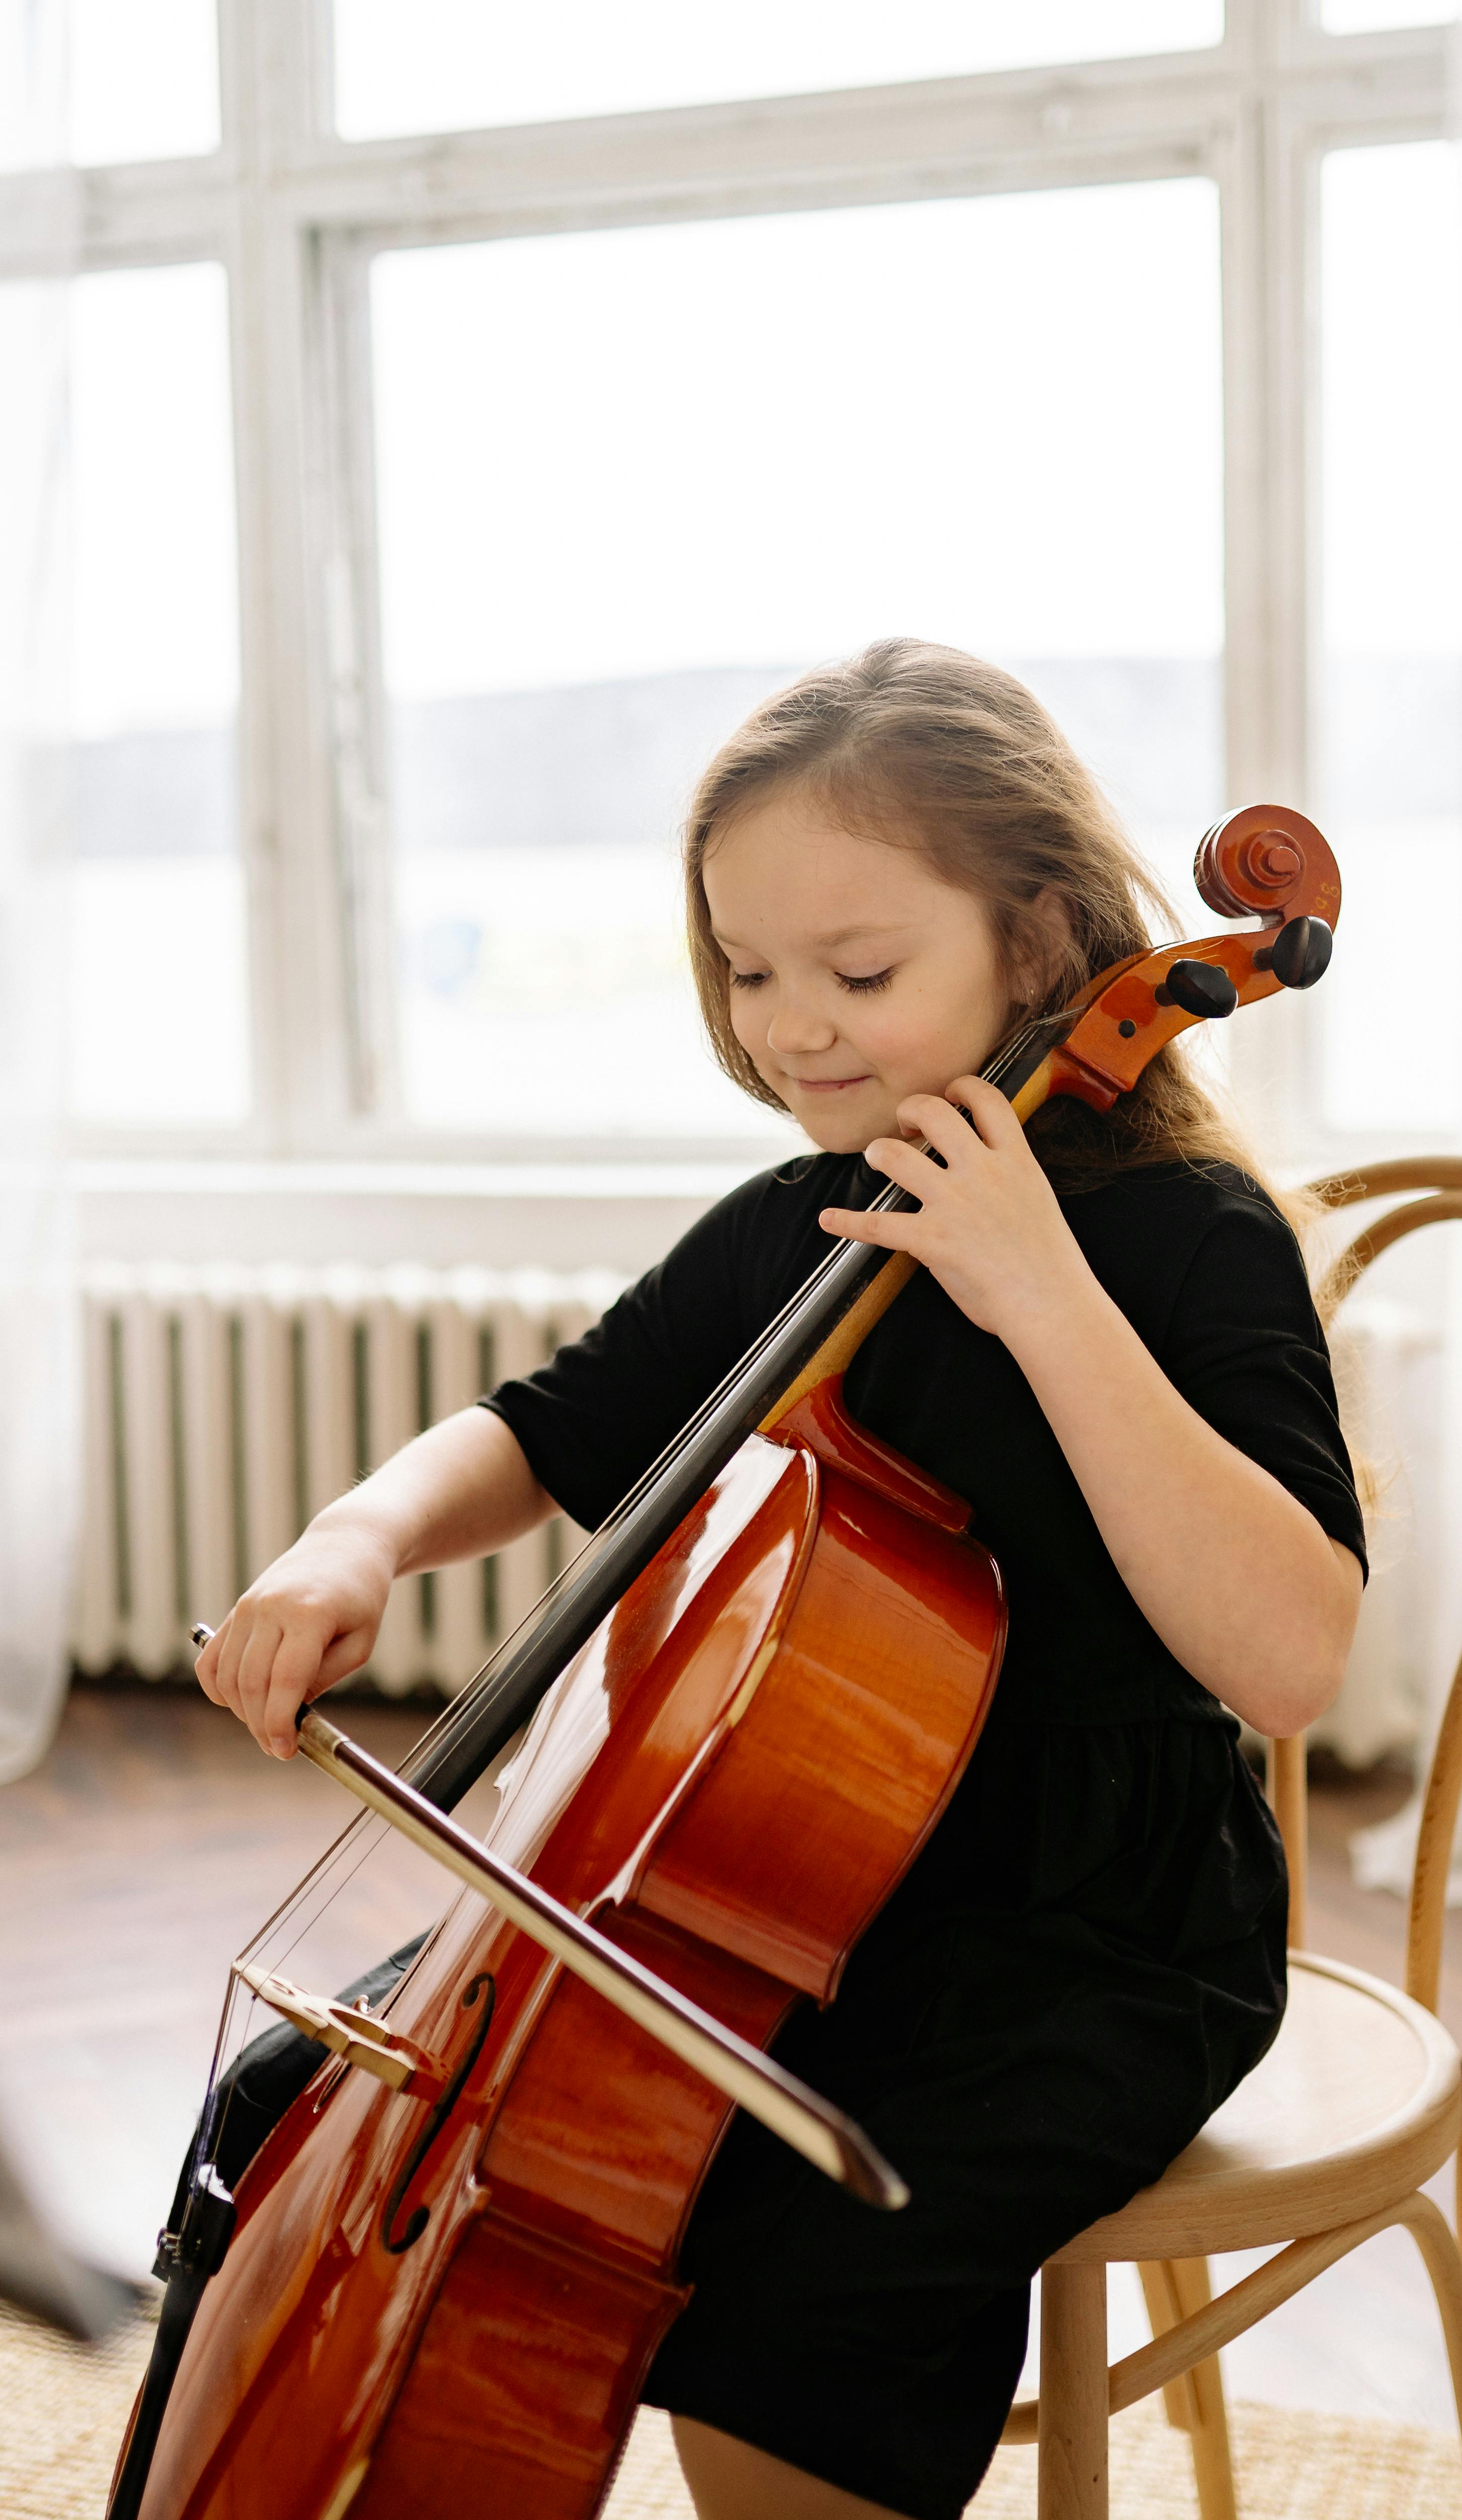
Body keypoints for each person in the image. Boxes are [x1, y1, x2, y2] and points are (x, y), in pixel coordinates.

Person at [197, 639, 1366, 2520]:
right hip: (739, 1888)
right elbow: (545, 1426)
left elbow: (1292, 1654)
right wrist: (358, 1537)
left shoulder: (1179, 1238)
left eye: (861, 971)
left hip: (1081, 1925)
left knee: (791, 2277)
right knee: (293, 2107)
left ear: (1048, 942)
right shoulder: (793, 1229)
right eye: (749, 972)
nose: (794, 1027)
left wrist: (1039, 1291)